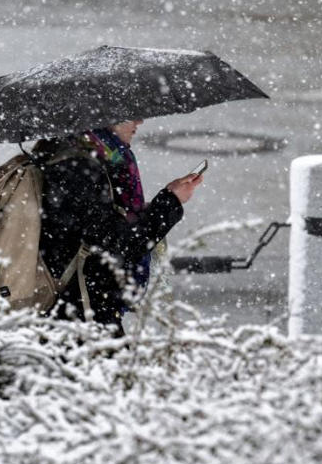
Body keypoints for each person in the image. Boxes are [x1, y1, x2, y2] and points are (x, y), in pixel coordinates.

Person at [32, 119, 201, 336]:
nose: (139, 120)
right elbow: (122, 245)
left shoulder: (79, 155)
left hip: (76, 307)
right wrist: (171, 201)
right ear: (104, 117)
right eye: (130, 114)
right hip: (80, 315)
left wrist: (159, 203)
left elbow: (100, 227)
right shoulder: (77, 169)